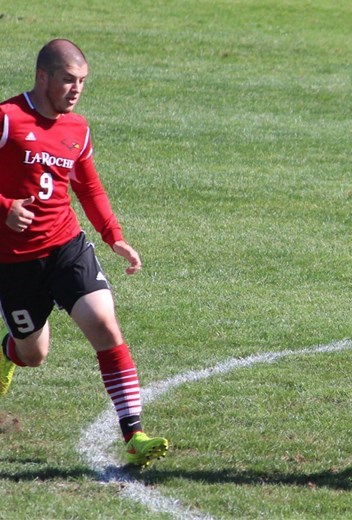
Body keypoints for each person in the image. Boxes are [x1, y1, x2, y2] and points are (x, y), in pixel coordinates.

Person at [0, 39, 168, 469]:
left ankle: (134, 436)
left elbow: (88, 186)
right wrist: (5, 208)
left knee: (104, 324)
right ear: (43, 78)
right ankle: (8, 355)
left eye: (83, 82)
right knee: (34, 354)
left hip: (66, 247)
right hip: (15, 261)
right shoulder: (7, 118)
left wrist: (114, 236)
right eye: (68, 81)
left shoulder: (78, 129)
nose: (76, 90)